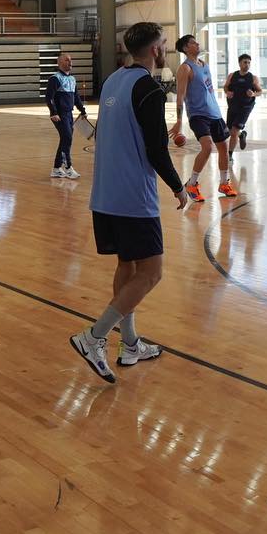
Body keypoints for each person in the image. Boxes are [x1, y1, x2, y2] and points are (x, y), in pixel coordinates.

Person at [69, 22, 188, 382]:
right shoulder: (148, 89)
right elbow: (156, 149)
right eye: (164, 43)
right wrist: (179, 187)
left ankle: (131, 343)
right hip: (134, 197)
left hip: (103, 195)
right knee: (152, 272)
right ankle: (95, 336)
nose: (165, 48)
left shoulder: (112, 81)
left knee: (129, 266)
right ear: (155, 50)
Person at [170, 34, 236, 202]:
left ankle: (223, 183)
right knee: (207, 147)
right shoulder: (185, 68)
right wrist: (179, 121)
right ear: (185, 48)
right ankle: (192, 183)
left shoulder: (204, 65)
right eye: (193, 42)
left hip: (215, 113)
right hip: (198, 114)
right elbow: (180, 96)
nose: (197, 44)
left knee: (224, 148)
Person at [46, 53, 87, 179]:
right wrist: (54, 112)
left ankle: (56, 168)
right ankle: (68, 167)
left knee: (65, 139)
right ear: (59, 63)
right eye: (66, 60)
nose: (70, 62)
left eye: (71, 60)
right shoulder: (55, 78)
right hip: (59, 115)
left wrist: (82, 110)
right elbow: (49, 98)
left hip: (69, 114)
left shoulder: (72, 79)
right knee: (67, 138)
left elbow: (76, 97)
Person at [224, 53, 262, 156]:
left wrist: (253, 93)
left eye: (249, 63)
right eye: (245, 62)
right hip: (232, 106)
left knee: (235, 130)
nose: (247, 65)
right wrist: (227, 92)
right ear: (239, 63)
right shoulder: (232, 75)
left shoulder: (253, 78)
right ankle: (242, 135)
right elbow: (226, 87)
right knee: (230, 130)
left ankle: (230, 156)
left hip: (245, 107)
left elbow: (260, 91)